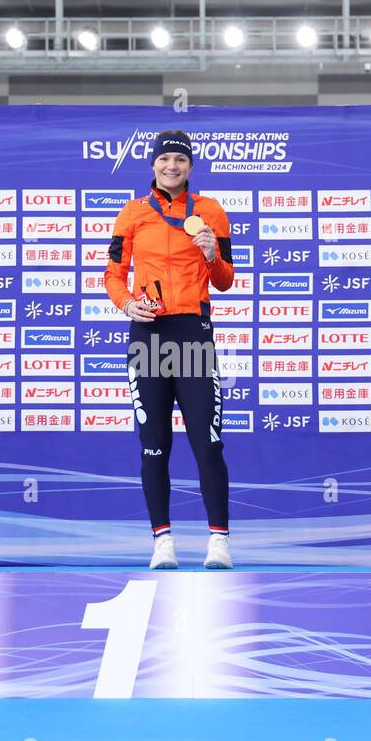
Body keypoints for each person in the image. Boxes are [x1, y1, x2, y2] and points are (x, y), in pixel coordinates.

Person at [103, 129, 235, 569]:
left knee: (207, 441)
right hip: (149, 335)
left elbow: (224, 280)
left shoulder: (211, 212)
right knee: (153, 444)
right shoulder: (133, 213)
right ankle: (163, 541)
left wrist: (212, 253)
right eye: (165, 160)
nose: (172, 166)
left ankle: (219, 541)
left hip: (193, 333)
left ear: (191, 167)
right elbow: (113, 274)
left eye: (180, 159)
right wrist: (127, 304)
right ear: (153, 165)